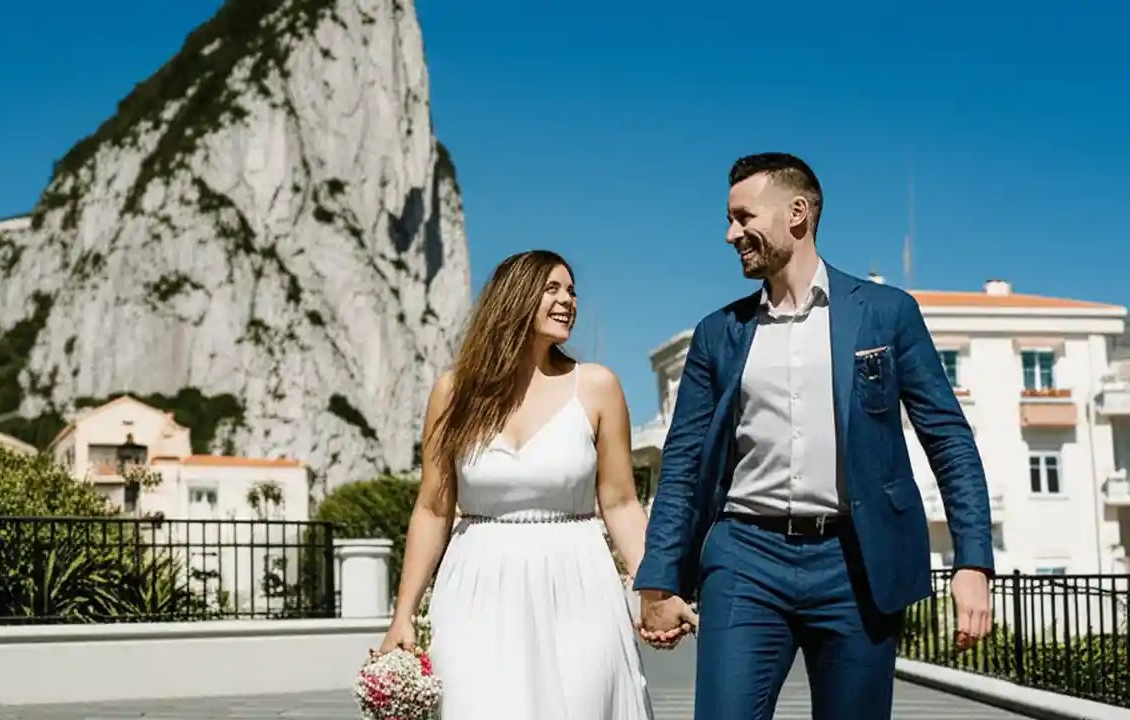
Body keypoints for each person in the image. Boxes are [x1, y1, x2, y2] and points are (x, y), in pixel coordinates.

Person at [634, 152, 995, 719]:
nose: (732, 234)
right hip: (744, 557)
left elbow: (947, 437)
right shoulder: (718, 334)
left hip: (856, 562)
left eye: (744, 217)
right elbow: (681, 465)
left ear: (797, 213)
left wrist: (973, 562)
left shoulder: (886, 313)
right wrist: (659, 577)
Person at [378, 250, 656, 719]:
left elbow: (622, 502)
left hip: (578, 583)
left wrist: (656, 588)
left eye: (572, 291)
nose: (568, 300)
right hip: (475, 587)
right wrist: (402, 615)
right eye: (553, 288)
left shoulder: (596, 386)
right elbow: (433, 508)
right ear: (515, 298)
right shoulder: (454, 392)